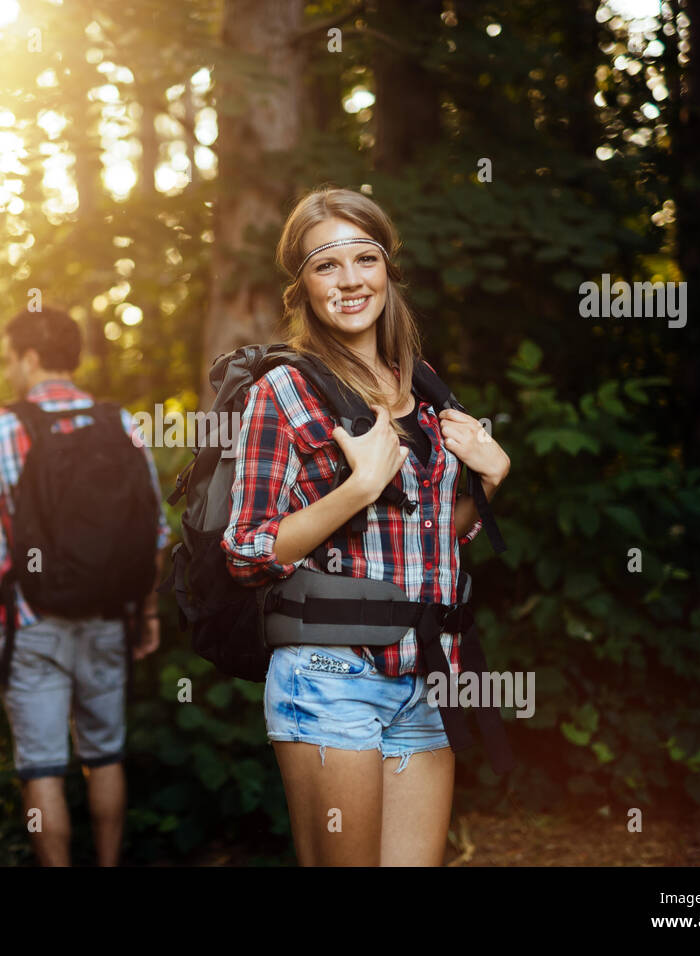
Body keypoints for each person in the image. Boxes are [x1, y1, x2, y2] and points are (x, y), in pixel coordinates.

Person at [222, 186, 511, 866]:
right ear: (302, 284)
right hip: (329, 674)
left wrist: (493, 485)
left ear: (388, 268)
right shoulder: (282, 391)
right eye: (327, 265)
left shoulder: (422, 385)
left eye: (365, 258)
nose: (350, 280)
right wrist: (358, 488)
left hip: (423, 673)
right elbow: (245, 551)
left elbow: (434, 536)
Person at [0, 306, 170, 867]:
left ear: (28, 357)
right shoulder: (120, 423)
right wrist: (145, 615)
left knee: (43, 766)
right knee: (106, 756)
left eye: (10, 359)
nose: (10, 371)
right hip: (108, 616)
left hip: (31, 623)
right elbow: (154, 532)